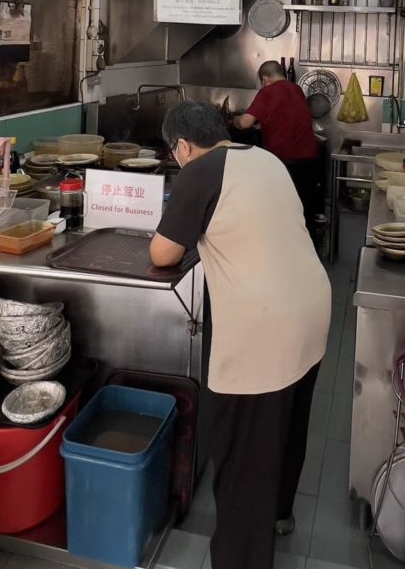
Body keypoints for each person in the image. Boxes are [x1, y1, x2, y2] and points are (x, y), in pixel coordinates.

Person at [150, 101, 331, 569]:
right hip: (311, 309)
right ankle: (280, 514)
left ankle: (241, 559)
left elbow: (164, 253)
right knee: (286, 424)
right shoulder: (264, 157)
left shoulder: (201, 171)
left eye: (175, 153)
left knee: (244, 456)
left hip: (264, 328)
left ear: (183, 146)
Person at [232, 60, 321, 236]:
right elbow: (284, 116)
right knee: (304, 209)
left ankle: (283, 252)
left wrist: (233, 120)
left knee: (281, 211)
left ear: (265, 79)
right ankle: (308, 253)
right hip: (309, 160)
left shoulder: (267, 92)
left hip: (284, 162)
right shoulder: (297, 90)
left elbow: (245, 122)